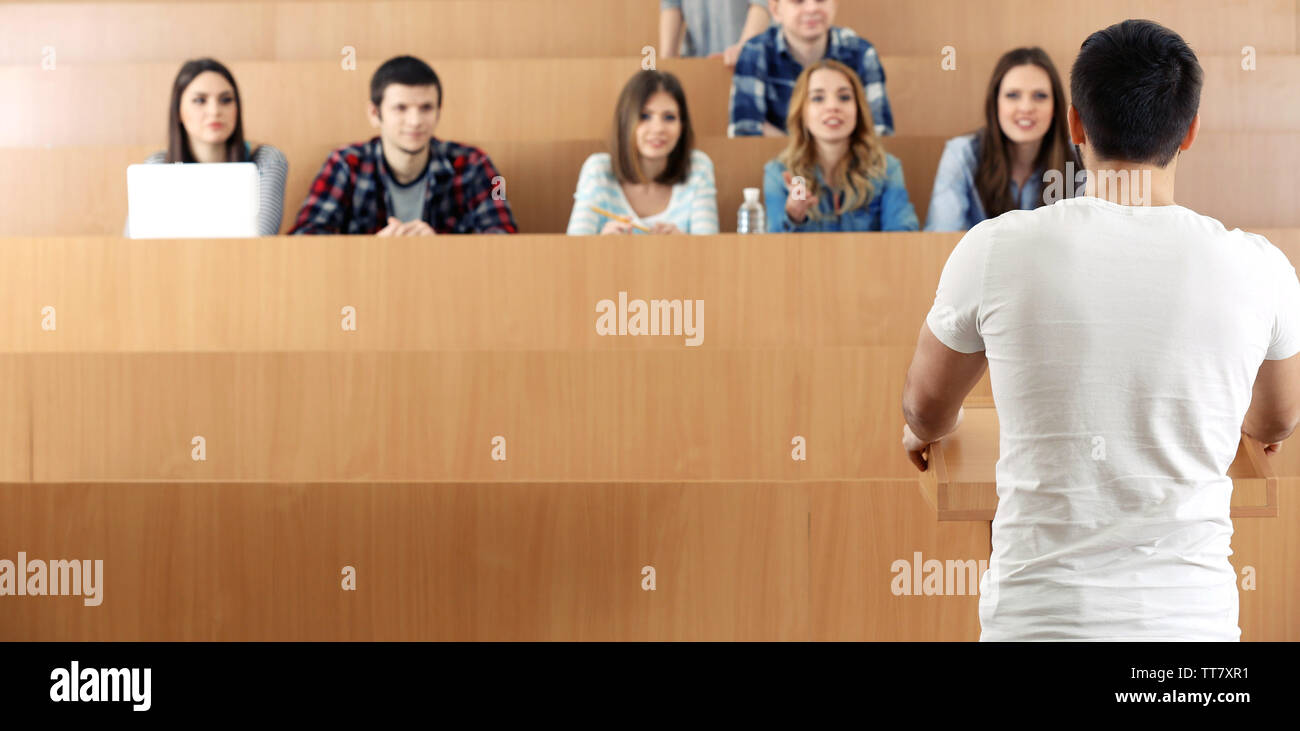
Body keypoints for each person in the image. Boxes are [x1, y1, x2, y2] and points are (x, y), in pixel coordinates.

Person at [901, 19, 1300, 641]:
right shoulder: (1261, 266)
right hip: (1191, 634)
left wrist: (925, 430)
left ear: (1075, 124)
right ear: (1190, 130)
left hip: (1038, 623)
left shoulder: (997, 248)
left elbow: (926, 407)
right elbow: (1276, 422)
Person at [291, 56, 516, 235]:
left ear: (439, 111)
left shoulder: (473, 163)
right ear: (374, 113)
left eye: (426, 108)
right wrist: (370, 250)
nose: (415, 121)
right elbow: (305, 238)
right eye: (401, 108)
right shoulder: (345, 163)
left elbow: (503, 237)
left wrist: (442, 248)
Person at [125, 58, 287, 236]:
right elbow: (134, 244)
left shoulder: (266, 161)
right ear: (178, 110)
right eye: (200, 100)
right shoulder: (157, 167)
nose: (215, 111)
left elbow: (262, 237)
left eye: (226, 100)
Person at [925, 48, 1078, 231]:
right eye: (1012, 95)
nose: (1026, 107)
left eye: (1040, 96)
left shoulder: (1079, 155)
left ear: (1055, 107)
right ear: (995, 104)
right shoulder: (962, 155)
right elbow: (943, 238)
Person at [762, 60, 916, 233]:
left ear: (858, 109)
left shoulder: (887, 168)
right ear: (802, 112)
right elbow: (773, 247)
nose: (832, 106)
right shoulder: (778, 172)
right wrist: (793, 216)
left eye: (844, 97)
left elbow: (902, 233)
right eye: (818, 98)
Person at [567, 70, 718, 236]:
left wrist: (683, 244)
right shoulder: (598, 170)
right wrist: (602, 245)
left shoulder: (698, 168)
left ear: (682, 125)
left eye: (669, 117)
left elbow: (710, 251)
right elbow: (573, 252)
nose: (658, 128)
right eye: (645, 116)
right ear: (626, 122)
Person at [728, 0, 892, 138]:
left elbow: (879, 131)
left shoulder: (861, 52)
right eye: (798, 0)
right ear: (776, 9)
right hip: (781, 167)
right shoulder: (754, 51)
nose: (812, 8)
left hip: (849, 167)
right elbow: (746, 130)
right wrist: (803, 155)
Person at [659, 0, 771, 66]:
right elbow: (671, 6)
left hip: (745, 62)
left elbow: (762, 4)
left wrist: (744, 49)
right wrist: (667, 63)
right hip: (696, 62)